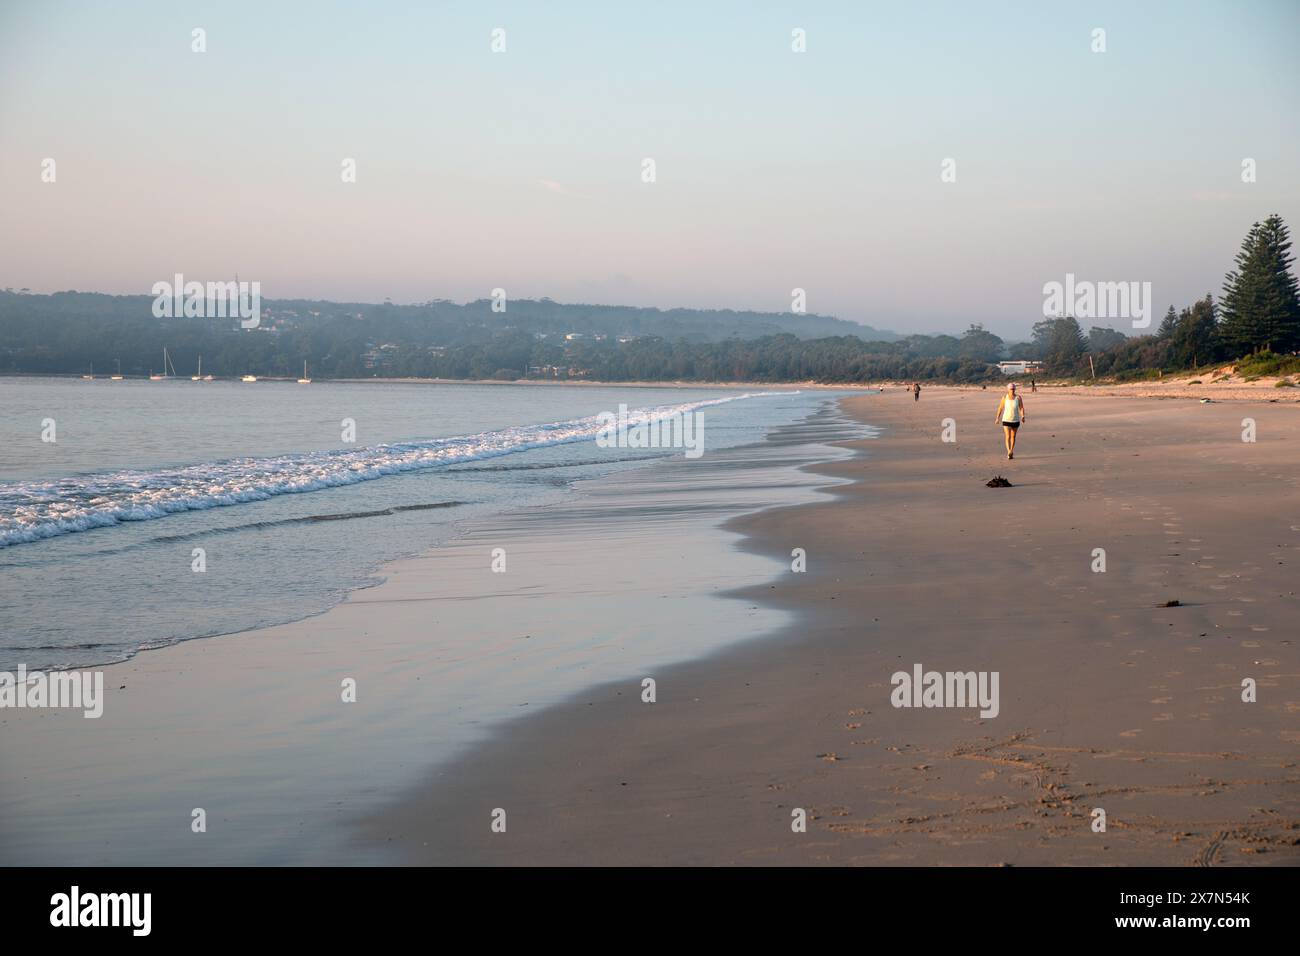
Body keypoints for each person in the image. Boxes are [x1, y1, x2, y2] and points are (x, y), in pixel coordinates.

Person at [994, 382, 1026, 459]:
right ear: (1008, 389)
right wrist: (997, 418)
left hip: (1015, 420)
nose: (1012, 390)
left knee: (1013, 436)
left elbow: (1021, 407)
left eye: (1013, 389)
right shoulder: (1004, 397)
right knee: (1007, 436)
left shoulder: (1018, 397)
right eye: (1011, 389)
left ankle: (1011, 450)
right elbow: (1000, 408)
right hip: (1006, 419)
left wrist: (1023, 416)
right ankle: (1009, 451)